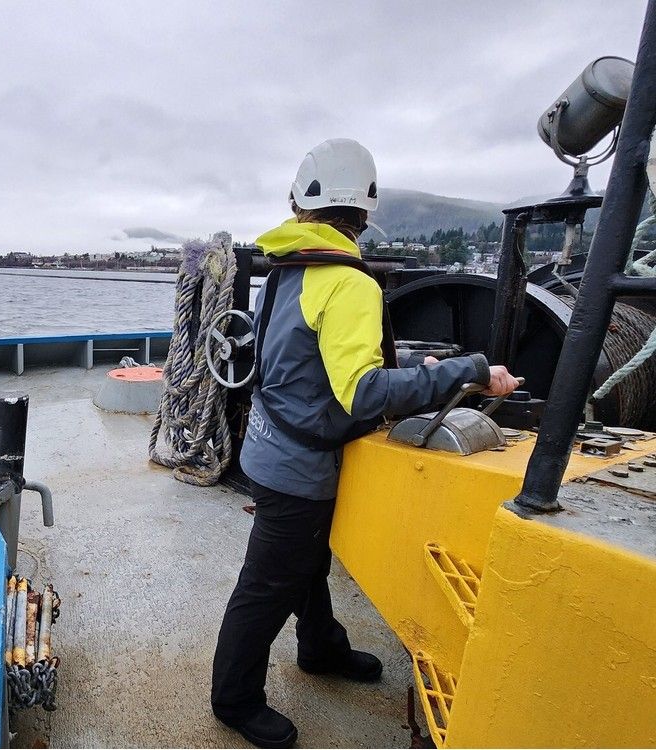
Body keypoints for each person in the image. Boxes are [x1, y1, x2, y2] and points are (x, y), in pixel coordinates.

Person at [210, 138, 519, 749]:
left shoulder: (287, 269)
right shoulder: (349, 284)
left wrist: (408, 362)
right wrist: (469, 371)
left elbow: (305, 362)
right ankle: (234, 699)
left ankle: (321, 647)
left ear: (301, 205)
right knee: (268, 583)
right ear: (365, 211)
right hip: (298, 466)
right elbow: (360, 394)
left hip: (269, 444)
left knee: (307, 560)